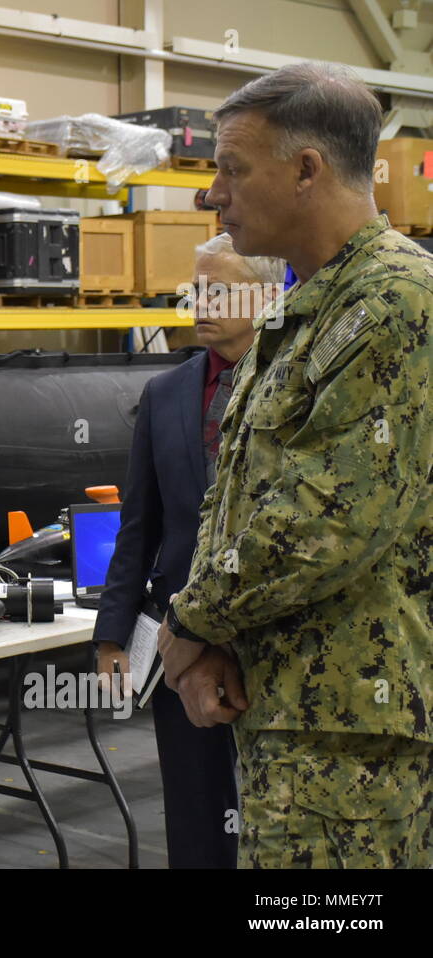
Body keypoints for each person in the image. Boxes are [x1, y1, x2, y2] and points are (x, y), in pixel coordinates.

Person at [157, 61, 433, 868]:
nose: (214, 193)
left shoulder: (393, 305)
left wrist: (190, 623)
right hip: (295, 716)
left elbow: (325, 520)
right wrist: (215, 646)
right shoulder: (307, 313)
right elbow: (241, 499)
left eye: (233, 169)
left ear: (308, 169)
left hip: (352, 742)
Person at [94, 232, 283, 868]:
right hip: (182, 643)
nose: (199, 302)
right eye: (195, 289)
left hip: (275, 642)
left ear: (263, 297)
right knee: (196, 812)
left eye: (217, 289)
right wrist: (112, 638)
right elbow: (138, 526)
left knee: (281, 815)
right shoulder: (166, 394)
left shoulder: (297, 385)